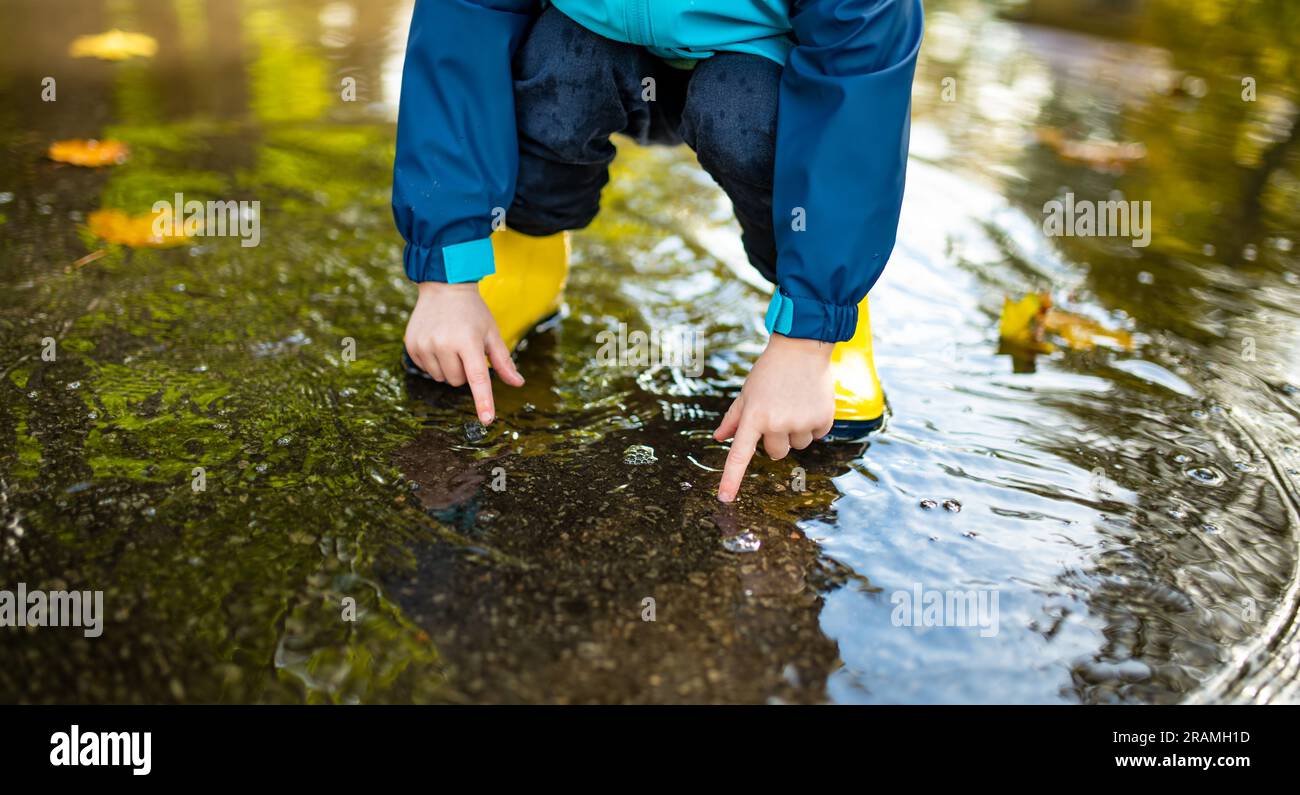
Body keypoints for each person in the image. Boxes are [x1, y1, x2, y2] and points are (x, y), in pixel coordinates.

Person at [393, 0, 923, 501]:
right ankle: (528, 252)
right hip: (589, 35)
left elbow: (855, 93)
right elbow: (463, 26)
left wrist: (810, 334)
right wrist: (446, 270)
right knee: (556, 65)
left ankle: (833, 321)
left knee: (745, 111)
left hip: (757, 62)